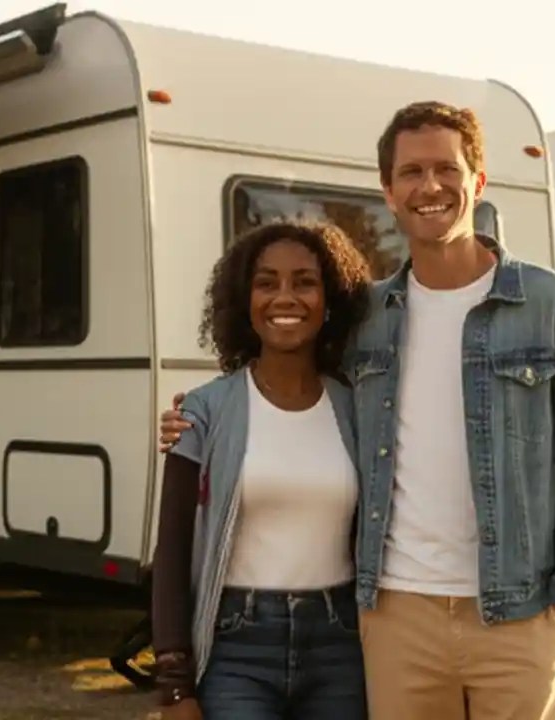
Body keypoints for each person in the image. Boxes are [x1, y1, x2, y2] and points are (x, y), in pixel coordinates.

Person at [160, 100, 555, 719]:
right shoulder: (368, 316)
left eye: (447, 169)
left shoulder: (553, 305)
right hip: (396, 614)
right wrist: (198, 413)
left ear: (478, 183)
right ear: (388, 190)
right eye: (411, 172)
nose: (429, 186)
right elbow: (289, 372)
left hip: (520, 612)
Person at [149, 219, 373, 720]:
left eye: (305, 282)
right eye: (266, 283)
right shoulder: (203, 412)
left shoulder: (355, 408)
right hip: (236, 649)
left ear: (330, 300)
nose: (285, 297)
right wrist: (174, 687)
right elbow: (172, 551)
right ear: (244, 301)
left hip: (340, 646)